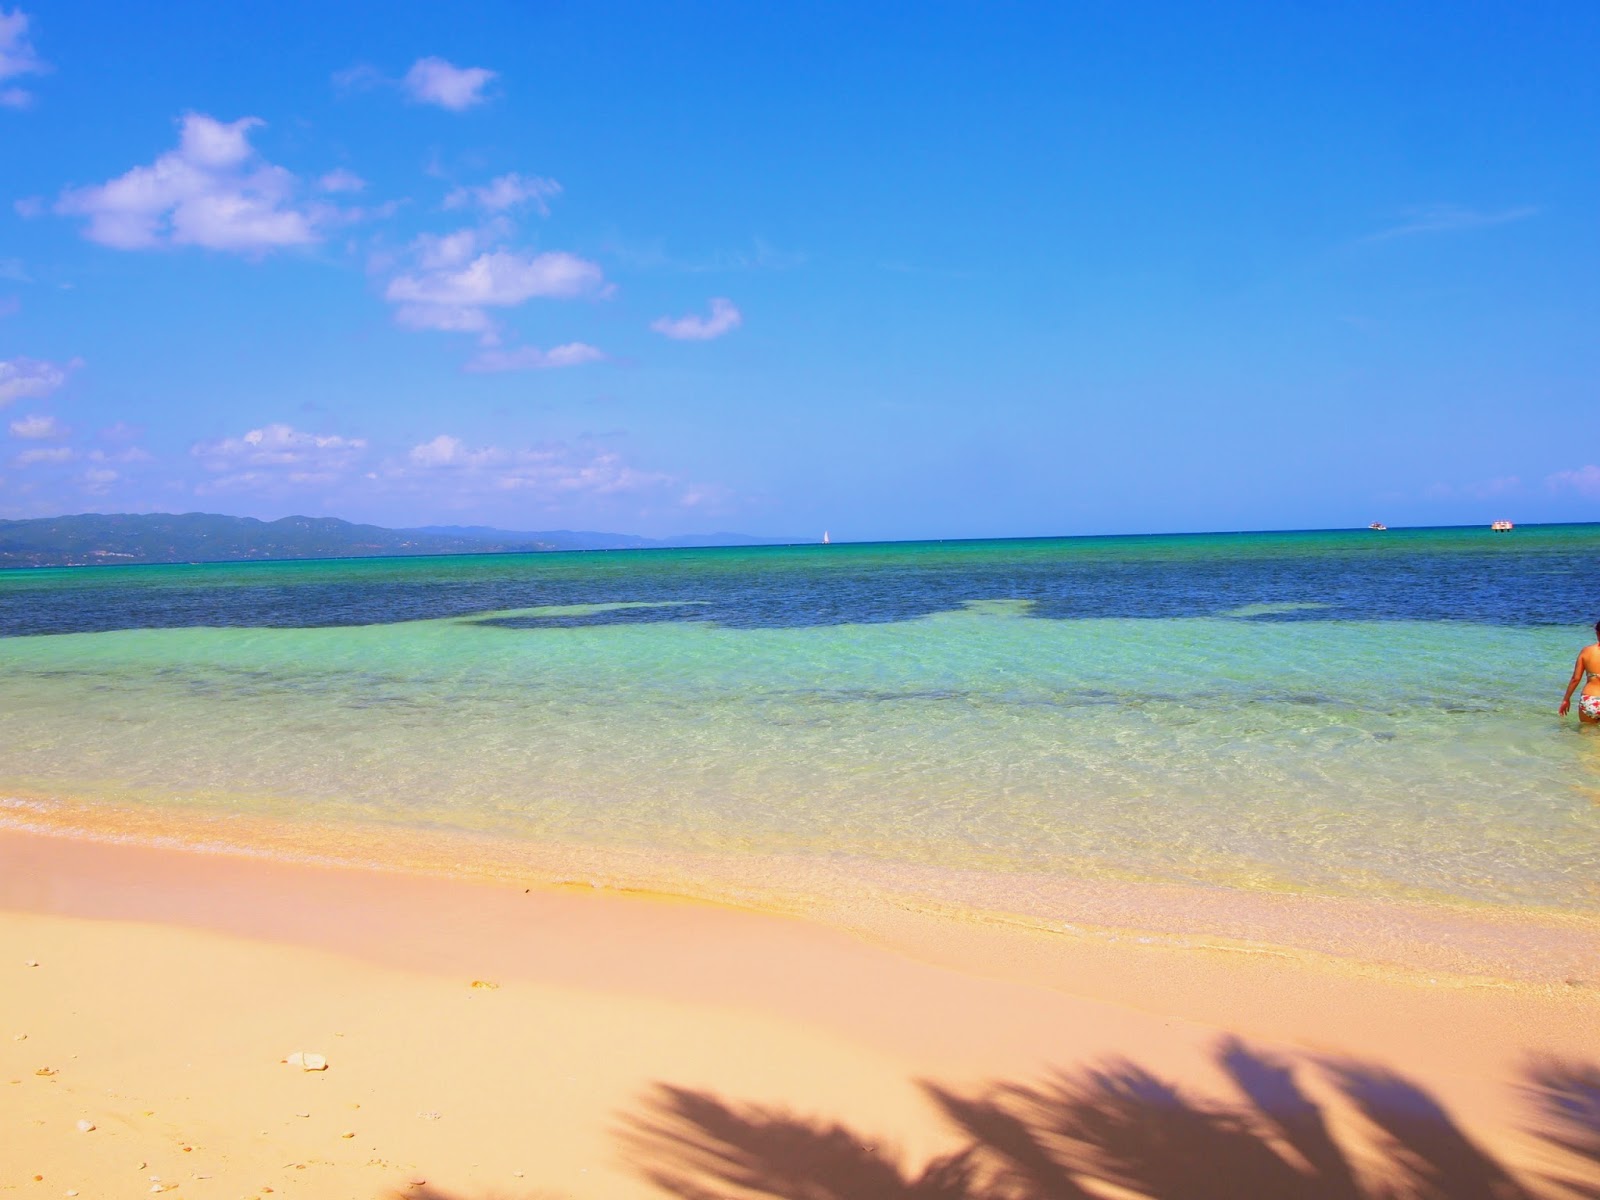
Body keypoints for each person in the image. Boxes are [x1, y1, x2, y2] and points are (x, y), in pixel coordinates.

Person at [1558, 621, 1600, 724]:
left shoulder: (1586, 651)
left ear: (1597, 632)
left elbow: (1575, 679)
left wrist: (1566, 699)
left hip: (1590, 699)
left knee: (1587, 735)